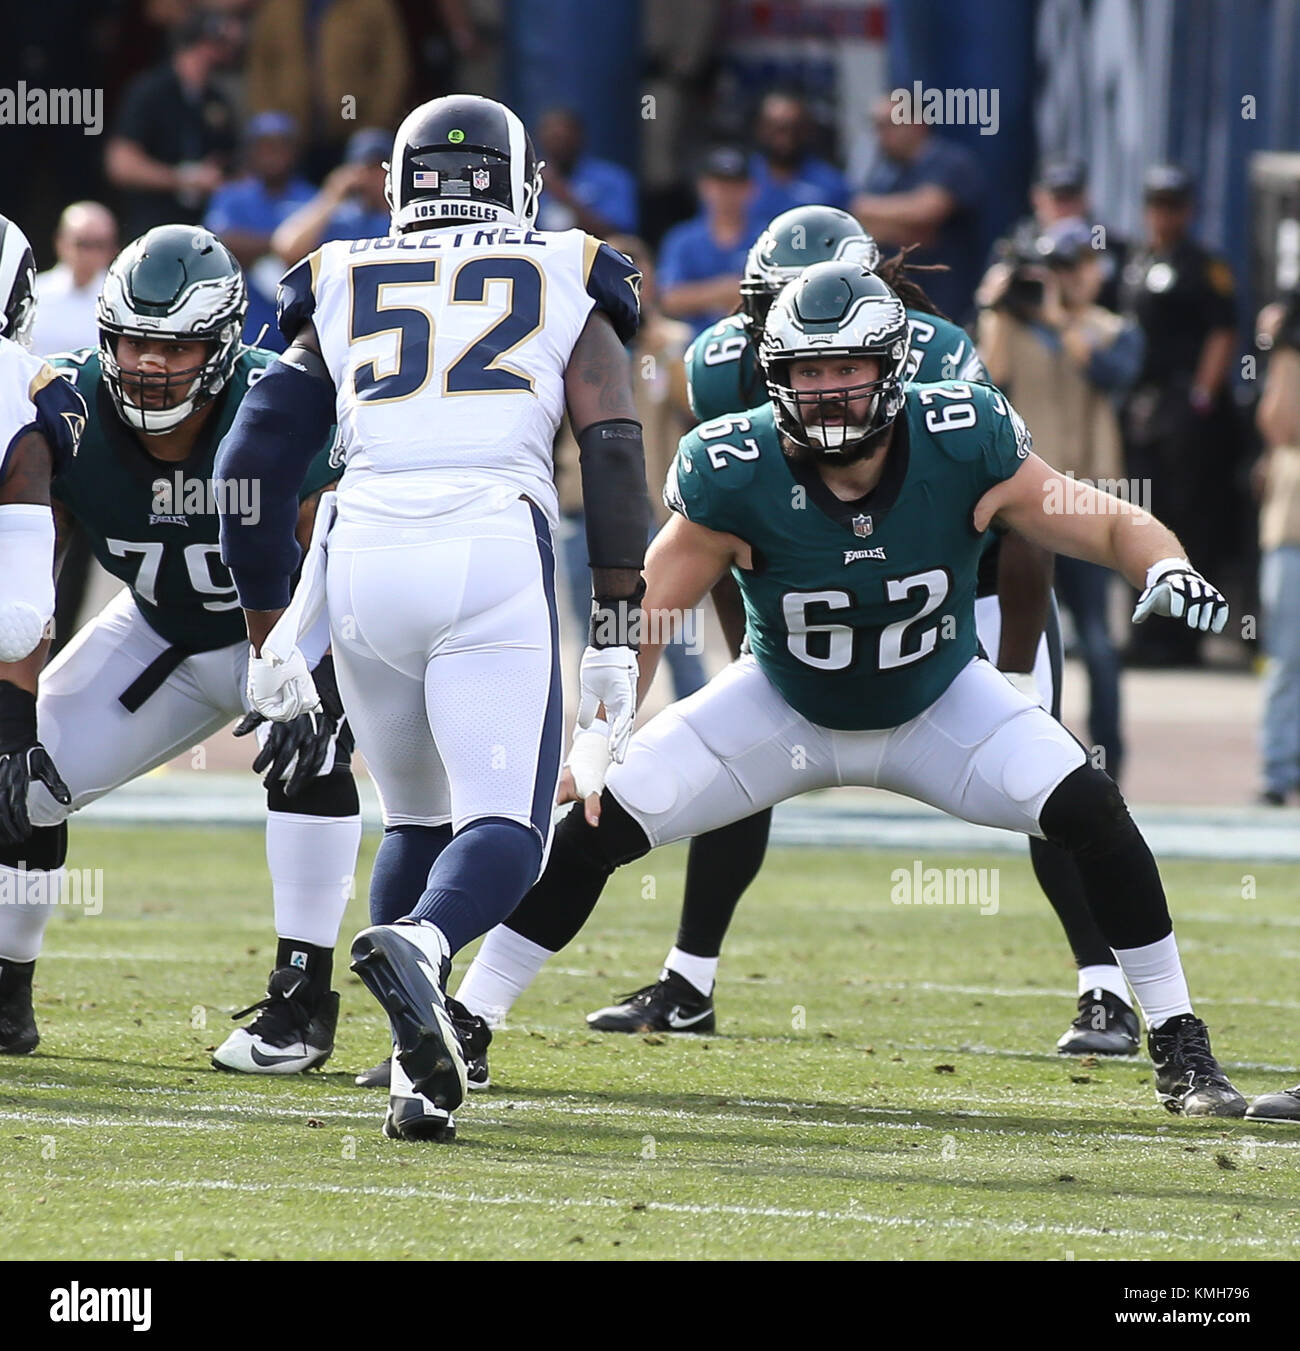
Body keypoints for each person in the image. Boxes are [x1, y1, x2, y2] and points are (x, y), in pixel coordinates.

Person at [456, 261, 1246, 1120]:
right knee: (596, 822)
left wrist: (1161, 560)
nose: (827, 391)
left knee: (1092, 808)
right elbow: (647, 606)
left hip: (938, 704)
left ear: (891, 367)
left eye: (845, 368)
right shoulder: (734, 462)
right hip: (782, 701)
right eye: (808, 371)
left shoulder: (961, 433)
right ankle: (468, 1018)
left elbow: (1100, 516)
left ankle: (1179, 1041)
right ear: (777, 376)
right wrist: (599, 732)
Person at [579, 206, 1138, 1059]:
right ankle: (690, 979)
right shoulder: (726, 368)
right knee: (735, 768)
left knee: (1052, 777)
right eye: (771, 308)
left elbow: (1020, 529)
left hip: (965, 583)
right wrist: (755, 656)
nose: (796, 338)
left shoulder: (942, 361)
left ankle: (1104, 990)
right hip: (818, 585)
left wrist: (1017, 676)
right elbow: (732, 544)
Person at [216, 94, 648, 1143]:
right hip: (487, 545)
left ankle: (415, 1072)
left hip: (361, 554)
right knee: (510, 828)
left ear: (400, 187)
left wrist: (273, 624)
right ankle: (420, 948)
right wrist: (618, 625)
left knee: (413, 817)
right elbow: (616, 447)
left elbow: (250, 465)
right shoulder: (568, 267)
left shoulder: (339, 273)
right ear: (520, 187)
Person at [0, 225, 361, 1076]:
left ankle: (302, 1003)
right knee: (20, 781)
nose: (150, 363)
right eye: (133, 340)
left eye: (176, 345)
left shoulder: (279, 403)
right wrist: (13, 725)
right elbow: (24, 593)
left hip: (282, 631)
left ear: (224, 343)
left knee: (313, 754)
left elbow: (339, 560)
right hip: (160, 632)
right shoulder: (65, 412)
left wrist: (324, 681)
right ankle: (8, 992)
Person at [978, 219, 1142, 781]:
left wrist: (1055, 320)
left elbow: (1115, 375)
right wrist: (996, 308)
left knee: (1096, 635)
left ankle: (1109, 757)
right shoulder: (1012, 323)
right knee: (1027, 630)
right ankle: (1029, 747)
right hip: (1029, 503)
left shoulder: (1112, 328)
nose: (1066, 278)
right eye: (1057, 267)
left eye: (1075, 266)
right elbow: (986, 382)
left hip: (1092, 497)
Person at [1121, 165, 1238, 668]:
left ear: (1187, 210)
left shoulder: (1202, 265)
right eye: (1156, 205)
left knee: (1189, 515)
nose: (1163, 216)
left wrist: (1200, 397)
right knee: (1142, 510)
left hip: (1182, 405)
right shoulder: (1137, 260)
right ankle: (1147, 631)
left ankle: (1186, 635)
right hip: (1141, 401)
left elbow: (1223, 330)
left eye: (1172, 206)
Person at [104, 9, 239, 238]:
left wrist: (219, 175)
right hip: (151, 226)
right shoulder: (150, 92)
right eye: (219, 44)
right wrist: (183, 178)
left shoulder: (216, 99)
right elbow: (120, 164)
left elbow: (232, 164)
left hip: (204, 229)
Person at [851, 96, 983, 323]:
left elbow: (926, 214)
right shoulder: (883, 173)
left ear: (917, 123)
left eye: (889, 124)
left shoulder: (950, 161)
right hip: (896, 306)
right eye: (877, 125)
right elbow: (860, 226)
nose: (881, 134)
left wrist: (864, 207)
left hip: (950, 304)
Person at [244, 0, 410, 180]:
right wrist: (272, 120)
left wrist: (371, 123)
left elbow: (392, 69)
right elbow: (260, 67)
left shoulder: (370, 6)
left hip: (350, 119)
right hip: (292, 133)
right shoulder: (278, 8)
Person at [203, 112, 317, 350]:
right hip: (245, 327)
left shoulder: (311, 198)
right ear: (251, 151)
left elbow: (315, 254)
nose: (272, 154)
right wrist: (283, 244)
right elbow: (219, 247)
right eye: (264, 146)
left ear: (294, 151)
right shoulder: (232, 195)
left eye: (280, 146)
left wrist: (257, 247)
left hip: (299, 332)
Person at [1252, 291, 1300, 806]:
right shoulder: (1290, 339)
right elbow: (1282, 425)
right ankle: (1278, 771)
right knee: (1286, 657)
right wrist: (1284, 349)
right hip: (1294, 522)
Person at [657, 145, 761, 337]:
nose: (726, 194)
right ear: (703, 187)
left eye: (734, 186)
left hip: (754, 340)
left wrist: (701, 295)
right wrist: (726, 290)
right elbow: (670, 299)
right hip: (695, 341)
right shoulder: (682, 238)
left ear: (750, 189)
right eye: (719, 185)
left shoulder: (766, 238)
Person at [270, 128, 393, 268]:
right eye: (367, 167)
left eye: (380, 168)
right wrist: (332, 195)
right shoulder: (340, 217)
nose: (373, 176)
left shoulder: (404, 217)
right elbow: (287, 249)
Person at [30, 204, 119, 357]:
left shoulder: (120, 299)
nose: (89, 254)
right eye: (82, 243)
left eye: (99, 245)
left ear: (114, 249)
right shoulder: (32, 293)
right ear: (60, 242)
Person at [534, 107, 638, 236]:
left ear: (579, 137)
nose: (558, 147)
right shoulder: (529, 178)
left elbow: (618, 236)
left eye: (563, 139)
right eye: (552, 138)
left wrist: (561, 194)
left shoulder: (612, 178)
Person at [748, 91, 849, 223]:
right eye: (776, 128)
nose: (784, 138)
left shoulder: (830, 182)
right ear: (761, 128)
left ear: (806, 129)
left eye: (793, 127)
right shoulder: (741, 177)